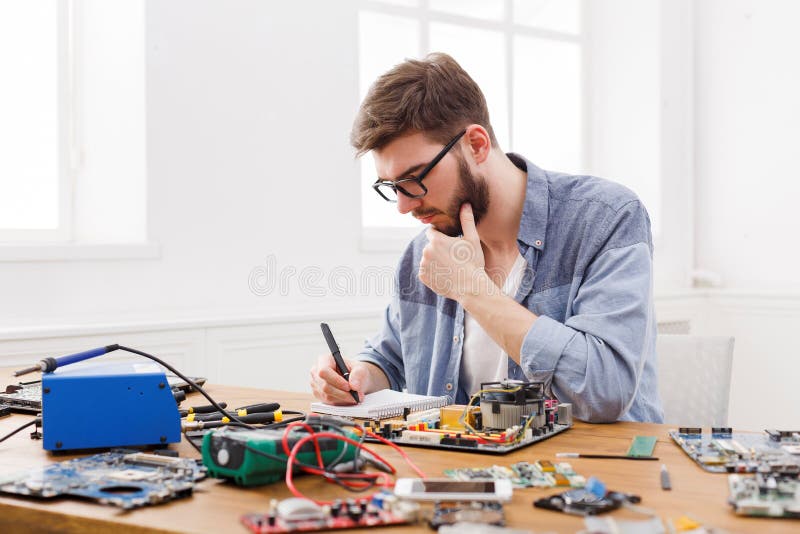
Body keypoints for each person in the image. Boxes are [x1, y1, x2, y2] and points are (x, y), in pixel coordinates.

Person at [310, 53, 663, 423]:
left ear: (476, 145)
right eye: (391, 186)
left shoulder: (605, 218)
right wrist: (360, 376)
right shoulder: (424, 253)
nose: (402, 206)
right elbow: (393, 358)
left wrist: (471, 290)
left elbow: (606, 391)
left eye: (414, 178)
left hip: (599, 473)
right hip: (461, 473)